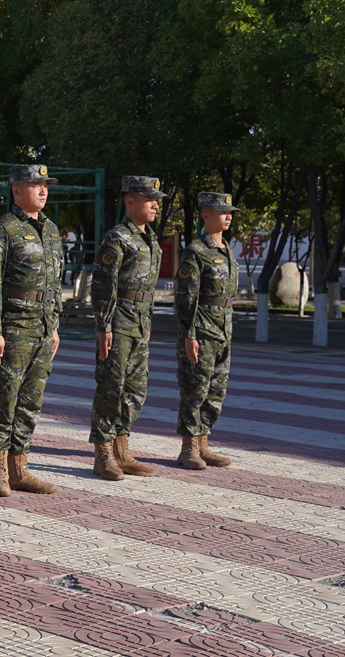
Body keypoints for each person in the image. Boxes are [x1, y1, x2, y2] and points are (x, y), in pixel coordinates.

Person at [0, 165, 63, 497]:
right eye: (35, 185)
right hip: (13, 327)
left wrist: (53, 326)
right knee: (4, 398)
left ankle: (19, 469)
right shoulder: (3, 230)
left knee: (30, 401)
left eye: (45, 185)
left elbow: (54, 285)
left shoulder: (51, 230)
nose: (42, 190)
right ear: (16, 190)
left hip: (41, 328)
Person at [90, 176, 165, 481]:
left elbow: (148, 288)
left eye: (156, 199)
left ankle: (122, 450)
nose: (155, 205)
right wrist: (104, 325)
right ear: (130, 201)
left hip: (139, 323)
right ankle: (104, 455)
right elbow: (103, 287)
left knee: (135, 391)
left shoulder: (150, 238)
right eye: (150, 199)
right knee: (111, 388)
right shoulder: (117, 238)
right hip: (118, 322)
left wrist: (147, 322)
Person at [174, 192, 239, 470]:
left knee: (216, 390)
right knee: (195, 389)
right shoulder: (195, 251)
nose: (228, 216)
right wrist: (189, 334)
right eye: (222, 211)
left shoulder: (226, 249)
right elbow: (185, 296)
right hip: (202, 328)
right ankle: (188, 448)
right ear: (205, 215)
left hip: (224, 328)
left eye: (230, 212)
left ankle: (204, 444)